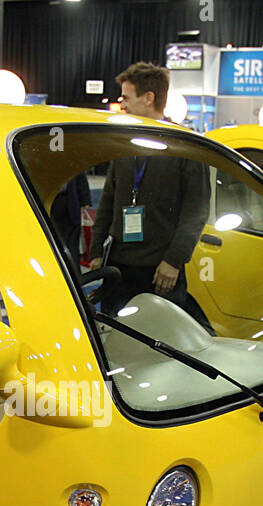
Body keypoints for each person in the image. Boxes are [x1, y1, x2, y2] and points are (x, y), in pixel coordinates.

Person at [90, 62, 211, 329]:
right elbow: (108, 200)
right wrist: (97, 250)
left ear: (148, 98)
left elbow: (196, 210)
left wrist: (173, 261)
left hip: (161, 271)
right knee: (116, 341)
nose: (122, 104)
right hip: (119, 268)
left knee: (163, 343)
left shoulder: (184, 145)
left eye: (126, 98)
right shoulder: (124, 143)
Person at [50, 171, 91, 271]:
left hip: (70, 201)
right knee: (52, 243)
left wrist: (85, 199)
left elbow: (78, 170)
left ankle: (75, 278)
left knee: (73, 245)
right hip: (49, 203)